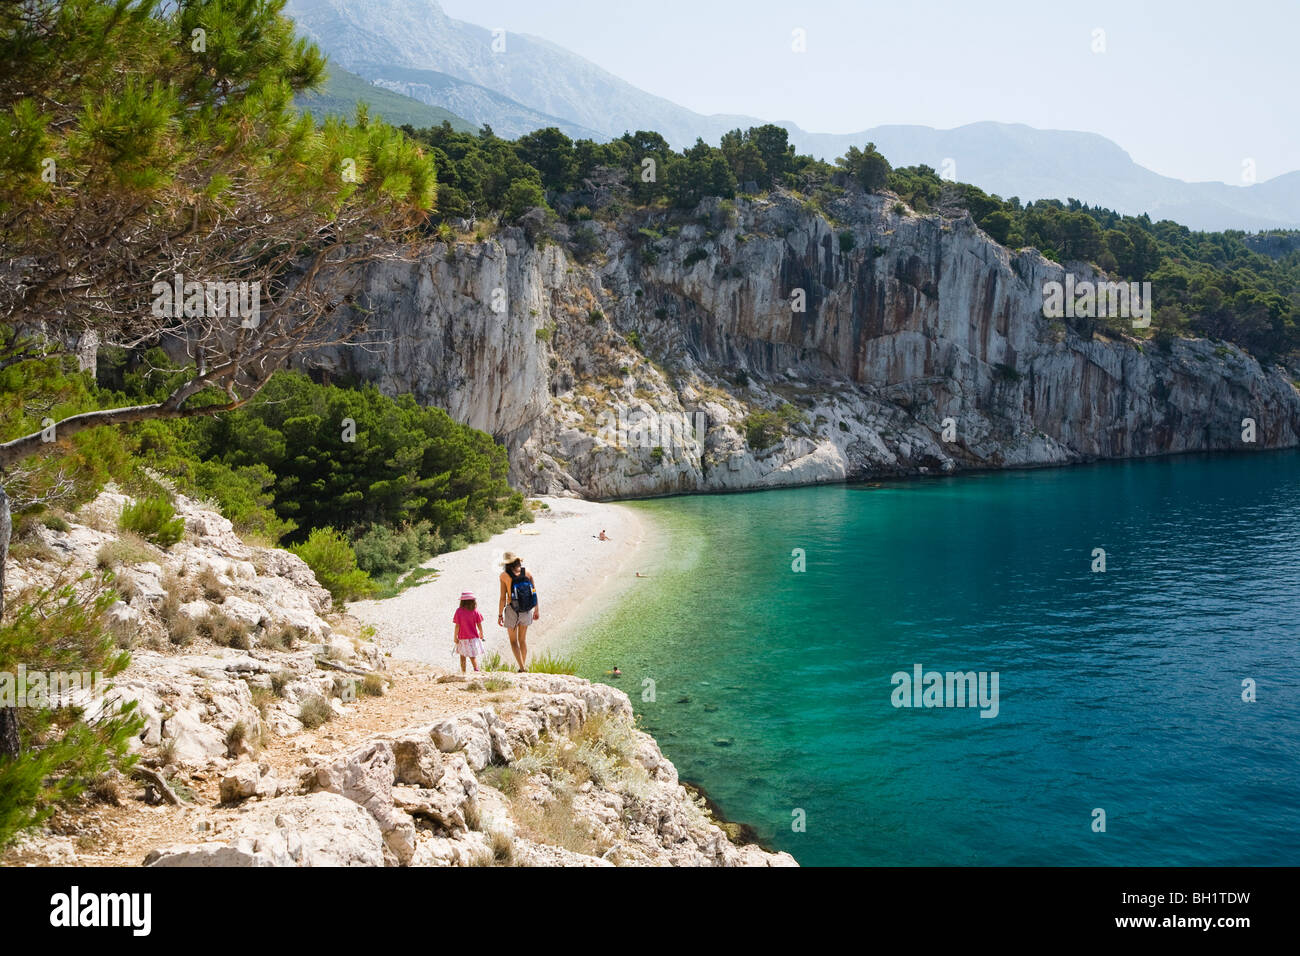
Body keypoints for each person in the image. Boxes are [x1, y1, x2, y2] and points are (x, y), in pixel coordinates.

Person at [498, 552, 538, 672]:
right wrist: (536, 609)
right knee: (522, 640)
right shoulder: (527, 573)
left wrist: (500, 615)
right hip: (526, 610)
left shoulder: (504, 576)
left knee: (513, 641)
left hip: (512, 610)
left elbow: (502, 598)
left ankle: (522, 667)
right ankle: (523, 667)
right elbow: (534, 592)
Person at [452, 590, 485, 673]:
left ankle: (463, 672)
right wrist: (481, 633)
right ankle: (476, 669)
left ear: (462, 602)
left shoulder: (459, 611)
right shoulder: (475, 611)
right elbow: (479, 624)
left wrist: (455, 637)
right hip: (473, 637)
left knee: (462, 656)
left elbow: (457, 626)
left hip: (462, 637)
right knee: (472, 656)